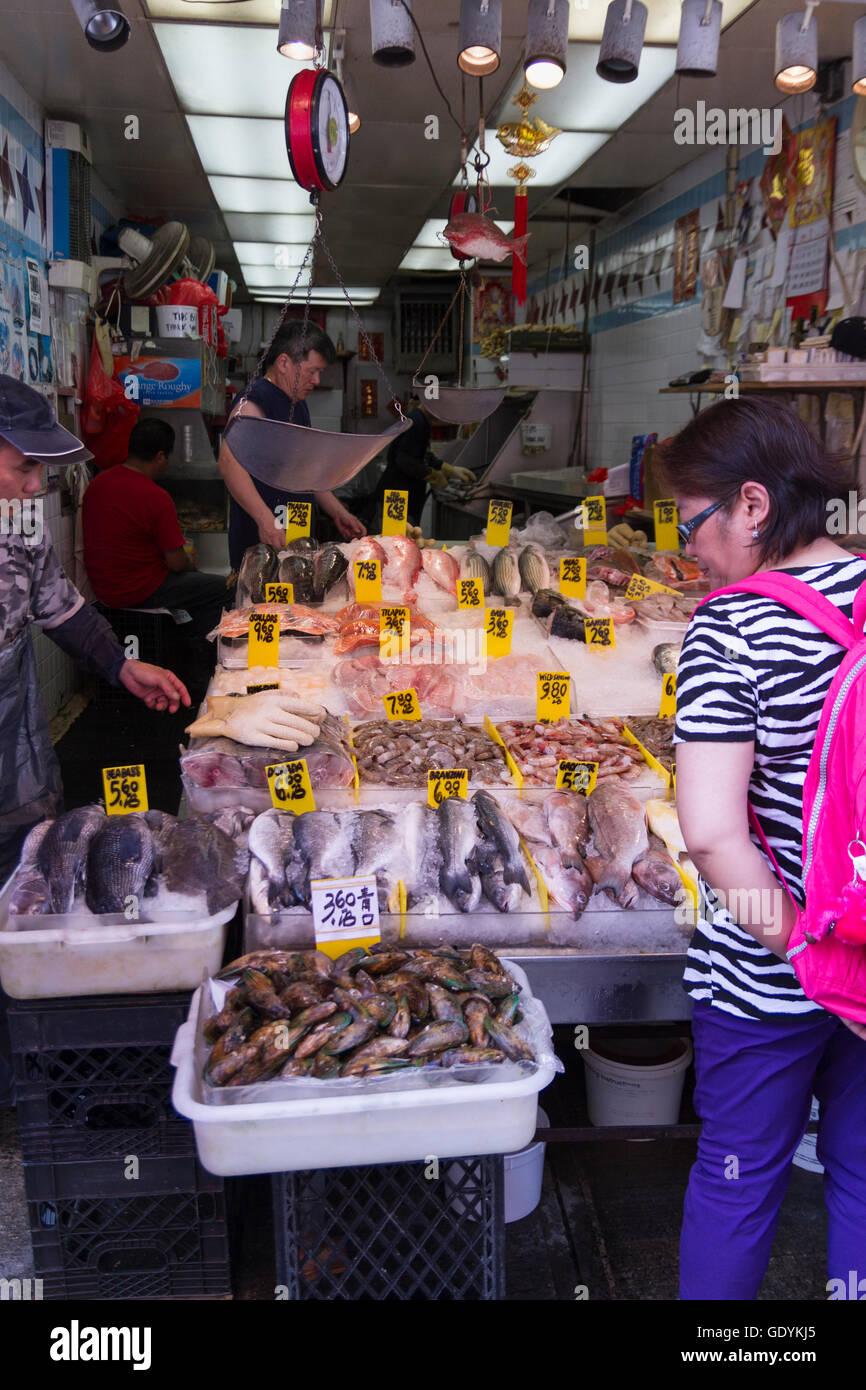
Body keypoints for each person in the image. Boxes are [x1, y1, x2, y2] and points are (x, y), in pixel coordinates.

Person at [658, 396, 866, 1301]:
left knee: (740, 1183)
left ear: (751, 505)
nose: (687, 550)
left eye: (692, 523)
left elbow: (709, 833)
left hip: (773, 972)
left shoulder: (730, 626)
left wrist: (808, 953)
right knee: (861, 1177)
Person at [0, 376, 190, 881]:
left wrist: (122, 666)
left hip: (15, 715)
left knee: (30, 855)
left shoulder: (20, 524)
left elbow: (63, 610)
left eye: (40, 467)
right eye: (25, 466)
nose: (37, 484)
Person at [219, 321, 365, 569]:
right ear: (284, 363)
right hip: (261, 548)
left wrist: (339, 512)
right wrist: (265, 520)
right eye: (312, 371)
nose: (317, 380)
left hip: (293, 542)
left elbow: (305, 469)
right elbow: (228, 462)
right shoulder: (256, 399)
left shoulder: (298, 404)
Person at [82, 417, 228, 647]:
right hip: (139, 590)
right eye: (168, 457)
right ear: (161, 456)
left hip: (101, 588)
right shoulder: (156, 497)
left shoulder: (97, 484)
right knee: (220, 588)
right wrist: (192, 566)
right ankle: (202, 656)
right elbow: (177, 564)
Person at [363, 394, 474, 530]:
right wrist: (432, 475)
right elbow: (403, 460)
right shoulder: (416, 421)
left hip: (405, 497)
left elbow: (420, 454)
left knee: (403, 540)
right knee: (395, 542)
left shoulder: (421, 420)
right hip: (397, 497)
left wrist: (447, 468)